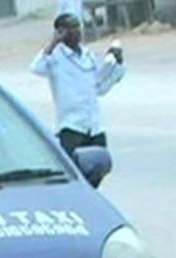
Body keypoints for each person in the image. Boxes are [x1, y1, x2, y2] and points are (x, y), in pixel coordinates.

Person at [30, 13, 125, 173]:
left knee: (99, 168)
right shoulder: (55, 56)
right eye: (71, 28)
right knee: (74, 173)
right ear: (60, 32)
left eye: (78, 27)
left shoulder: (88, 56)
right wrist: (54, 42)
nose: (77, 32)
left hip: (94, 126)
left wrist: (116, 65)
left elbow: (99, 87)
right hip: (72, 127)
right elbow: (36, 67)